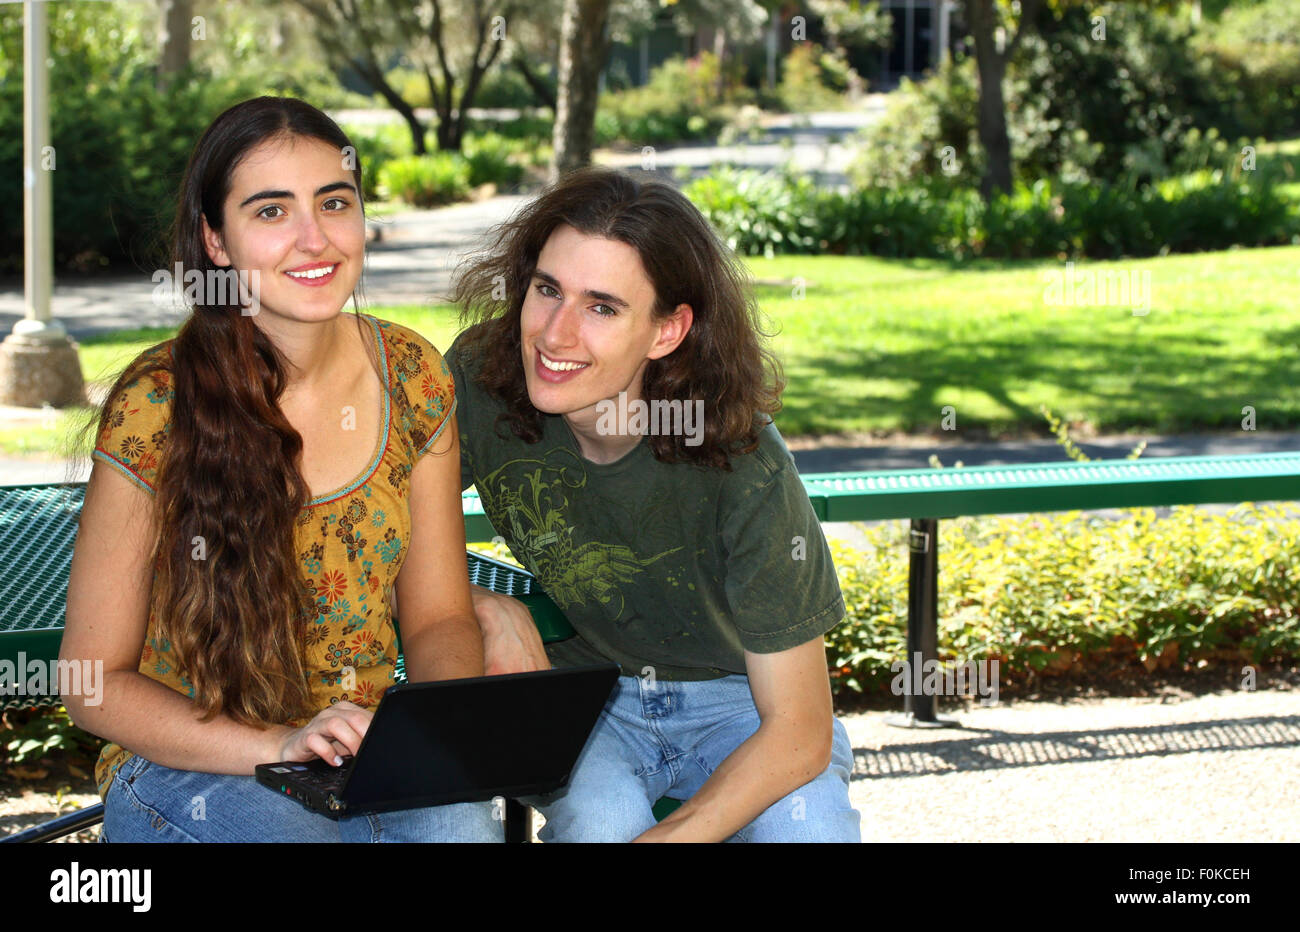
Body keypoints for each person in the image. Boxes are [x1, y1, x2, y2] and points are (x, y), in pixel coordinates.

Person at [61, 97, 499, 843]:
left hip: (357, 751)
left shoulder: (413, 377)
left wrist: (432, 737)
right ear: (217, 241)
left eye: (335, 202)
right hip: (192, 765)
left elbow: (439, 618)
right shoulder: (158, 406)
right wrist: (275, 747)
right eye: (270, 212)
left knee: (463, 827)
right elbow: (91, 684)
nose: (314, 238)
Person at [448, 167, 861, 842]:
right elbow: (375, 531)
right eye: (546, 290)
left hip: (741, 702)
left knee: (810, 830)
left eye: (602, 308)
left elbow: (800, 728)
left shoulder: (739, 459)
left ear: (667, 332)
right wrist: (480, 601)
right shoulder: (482, 382)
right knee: (600, 822)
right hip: (584, 696)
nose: (555, 335)